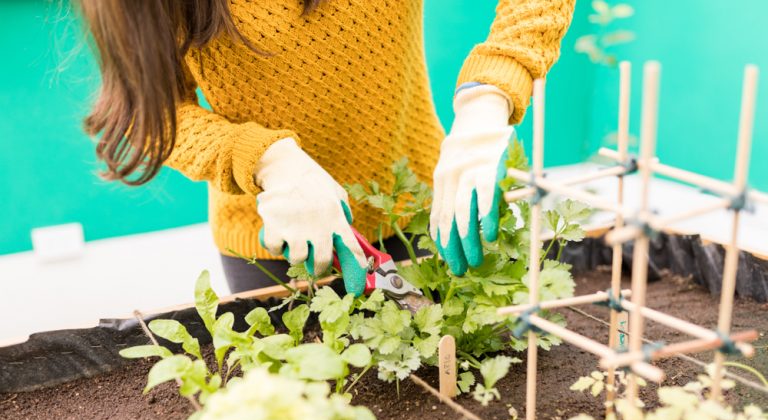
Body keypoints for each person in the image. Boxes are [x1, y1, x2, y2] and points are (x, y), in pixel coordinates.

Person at [78, 0, 574, 294]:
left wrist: (490, 92)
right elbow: (148, 117)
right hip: (273, 247)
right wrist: (266, 159)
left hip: (424, 216)